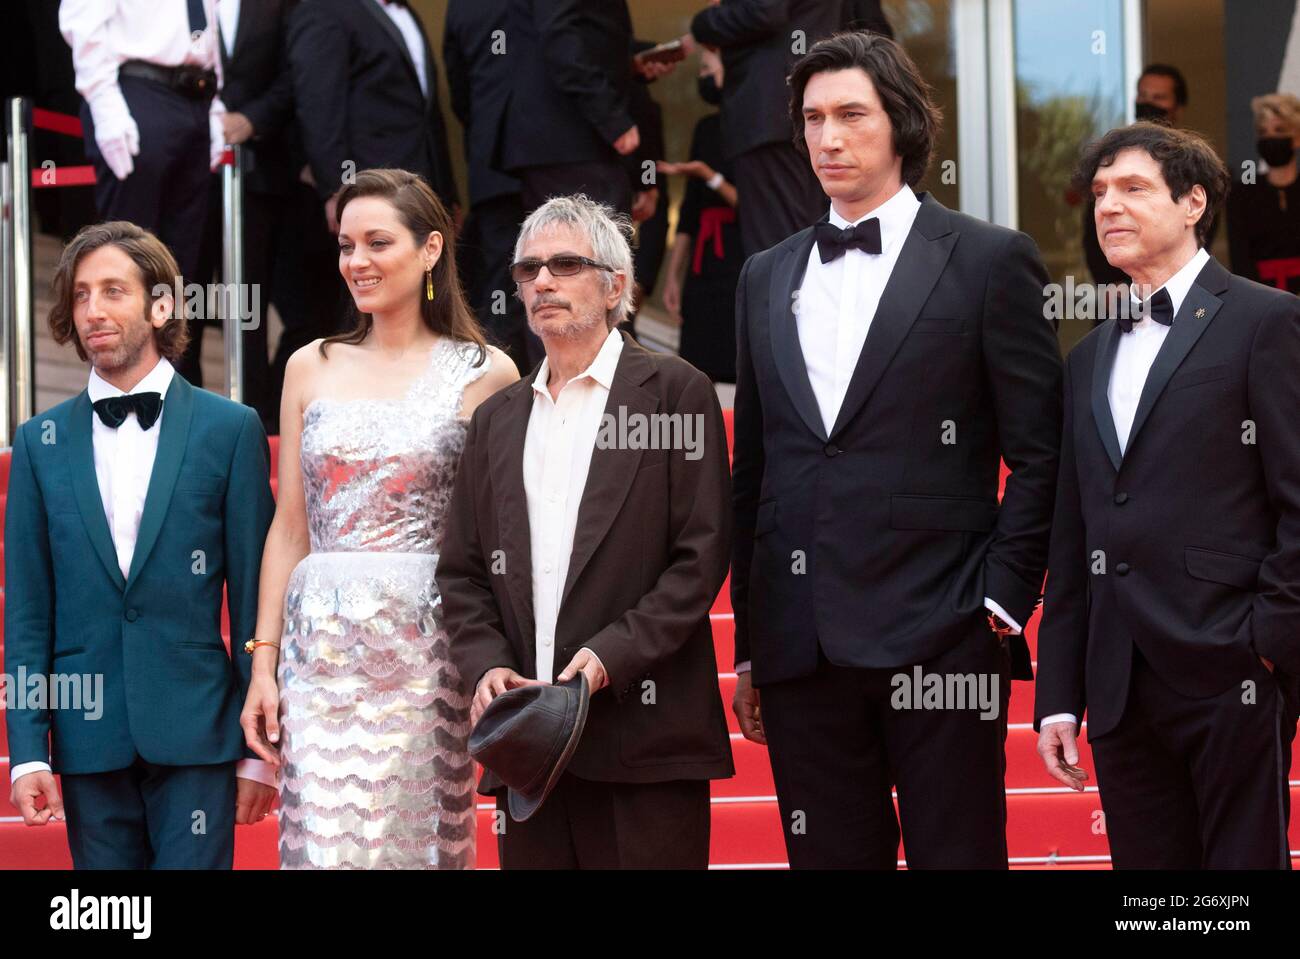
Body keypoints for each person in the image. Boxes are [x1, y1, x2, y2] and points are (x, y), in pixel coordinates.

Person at [730, 32, 1063, 869]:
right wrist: (753, 642)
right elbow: (756, 470)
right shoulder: (765, 274)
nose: (828, 137)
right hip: (802, 642)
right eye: (813, 119)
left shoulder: (990, 259)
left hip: (944, 629)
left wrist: (1000, 603)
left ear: (903, 123)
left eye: (851, 115)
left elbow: (1042, 453)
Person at [437, 194, 735, 869]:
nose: (542, 281)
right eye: (529, 269)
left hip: (645, 737)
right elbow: (463, 570)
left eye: (566, 265)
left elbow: (700, 556)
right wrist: (486, 663)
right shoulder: (497, 419)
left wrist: (610, 656)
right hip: (527, 747)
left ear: (616, 286)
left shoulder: (676, 392)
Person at [1035, 122, 1300, 869]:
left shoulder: (1267, 321)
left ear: (1193, 203)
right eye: (1099, 193)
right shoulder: (1086, 356)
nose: (1108, 206)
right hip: (1119, 682)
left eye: (1133, 188)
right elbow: (1073, 531)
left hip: (1230, 669)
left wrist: (1268, 644)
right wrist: (1061, 695)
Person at [239, 169, 519, 869]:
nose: (356, 261)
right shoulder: (309, 365)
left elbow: (502, 538)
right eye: (346, 245)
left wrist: (498, 664)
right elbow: (290, 527)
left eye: (377, 242)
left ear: (431, 249)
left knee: (416, 847)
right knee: (322, 849)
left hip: (430, 650)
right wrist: (264, 663)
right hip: (319, 651)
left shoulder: (488, 372)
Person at [5, 221, 277, 868]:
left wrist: (260, 754)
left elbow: (256, 600)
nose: (93, 310)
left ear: (160, 306)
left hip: (199, 732)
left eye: (113, 291)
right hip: (87, 738)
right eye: (80, 295)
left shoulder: (230, 429)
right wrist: (29, 751)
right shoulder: (39, 443)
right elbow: (27, 613)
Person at [178, 0, 298, 428]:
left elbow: (296, 70)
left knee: (247, 308)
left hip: (254, 175)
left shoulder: (278, 6)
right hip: (184, 171)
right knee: (181, 299)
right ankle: (181, 420)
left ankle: (255, 425)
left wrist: (251, 119)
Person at [60, 0, 226, 284]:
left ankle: (171, 315)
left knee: (181, 260)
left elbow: (209, 21)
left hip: (196, 96)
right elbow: (82, 19)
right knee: (129, 252)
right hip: (137, 92)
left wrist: (215, 102)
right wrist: (103, 102)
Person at [683, 0, 844, 256]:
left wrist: (706, 22)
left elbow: (765, 10)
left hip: (768, 111)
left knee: (778, 251)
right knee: (806, 241)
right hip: (803, 106)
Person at [287, 0, 459, 234]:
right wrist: (337, 189)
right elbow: (319, 109)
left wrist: (448, 193)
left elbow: (428, 114)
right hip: (370, 190)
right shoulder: (324, 9)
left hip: (425, 189)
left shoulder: (407, 12)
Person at [499, 0, 678, 219]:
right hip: (569, 137)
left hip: (572, 139)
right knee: (591, 235)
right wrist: (610, 116)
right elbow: (559, 37)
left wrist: (630, 63)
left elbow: (585, 33)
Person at [443, 0, 532, 366]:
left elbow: (460, 92)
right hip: (541, 161)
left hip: (493, 162)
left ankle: (497, 387)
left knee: (503, 286)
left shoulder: (463, 7)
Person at [658, 48, 741, 384]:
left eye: (708, 69)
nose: (703, 76)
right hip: (703, 263)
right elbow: (689, 213)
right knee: (696, 366)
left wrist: (710, 176)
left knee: (738, 361)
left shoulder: (756, 127)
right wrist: (673, 275)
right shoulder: (705, 127)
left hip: (740, 255)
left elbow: (757, 205)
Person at [1083, 64, 1191, 289]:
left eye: (1158, 98)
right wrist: (1111, 285)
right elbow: (1094, 233)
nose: (1148, 103)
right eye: (1143, 96)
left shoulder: (1192, 165)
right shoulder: (1112, 157)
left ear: (1178, 109)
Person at [1227, 93, 1300, 295]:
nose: (1270, 138)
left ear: (1296, 138)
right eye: (1263, 132)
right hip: (1260, 299)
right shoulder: (1242, 195)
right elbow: (1240, 259)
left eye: (1279, 130)